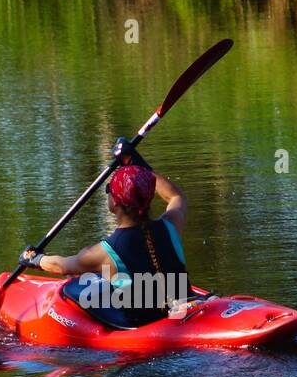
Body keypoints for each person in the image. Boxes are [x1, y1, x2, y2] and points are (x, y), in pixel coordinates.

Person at [21, 139, 190, 326]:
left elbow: (63, 266)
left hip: (145, 325)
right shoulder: (171, 225)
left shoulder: (102, 252)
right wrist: (136, 161)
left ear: (115, 203)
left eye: (109, 190)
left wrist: (35, 259)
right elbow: (175, 196)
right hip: (184, 310)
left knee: (75, 289)